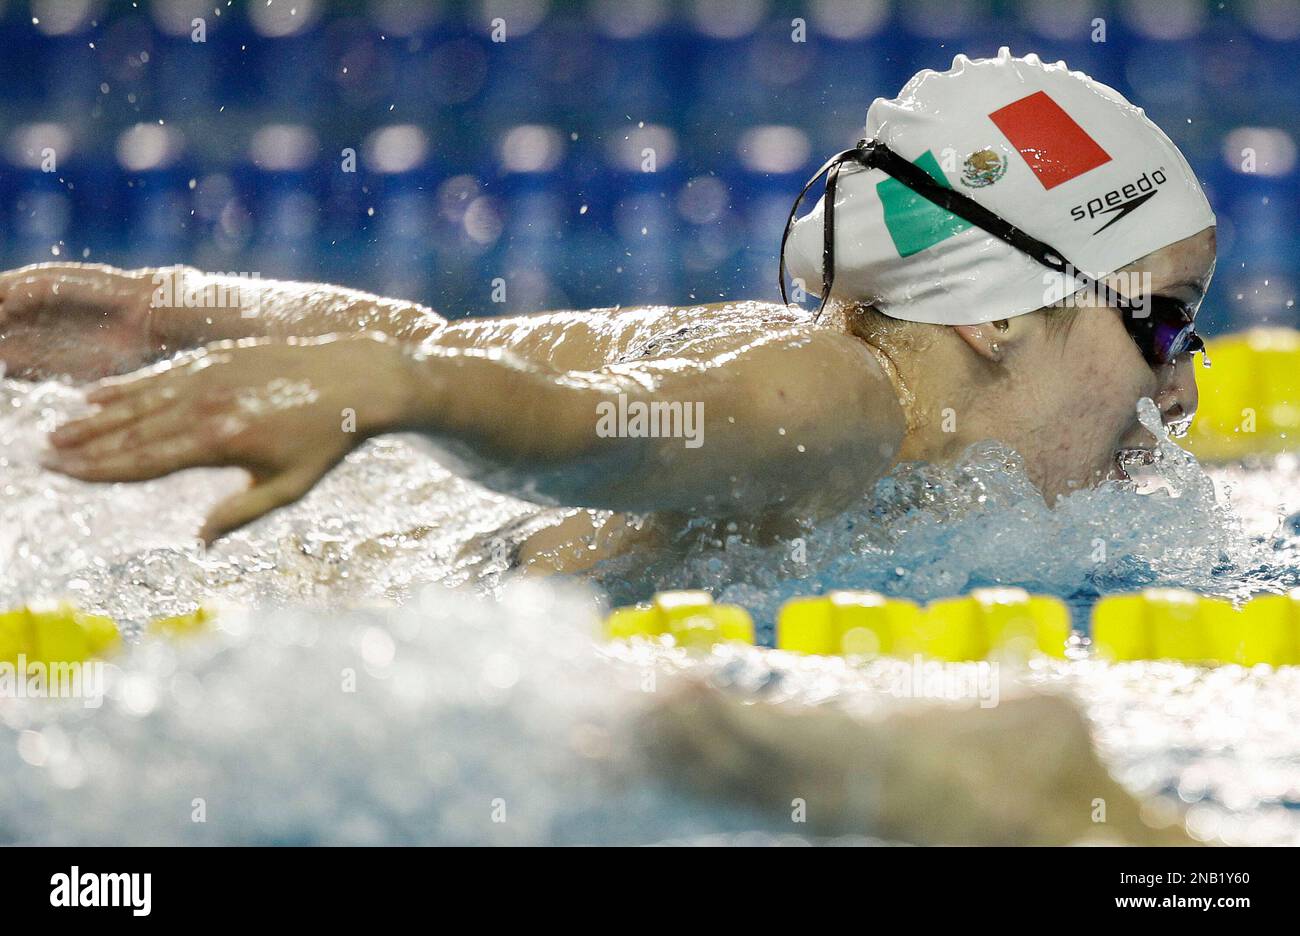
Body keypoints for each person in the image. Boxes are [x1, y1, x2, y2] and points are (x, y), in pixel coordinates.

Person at [1, 49, 1215, 569]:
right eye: (1160, 322)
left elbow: (447, 344)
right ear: (996, 312)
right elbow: (587, 430)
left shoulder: (779, 356)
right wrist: (395, 394)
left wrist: (163, 308)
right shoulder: (837, 404)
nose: (1182, 382)